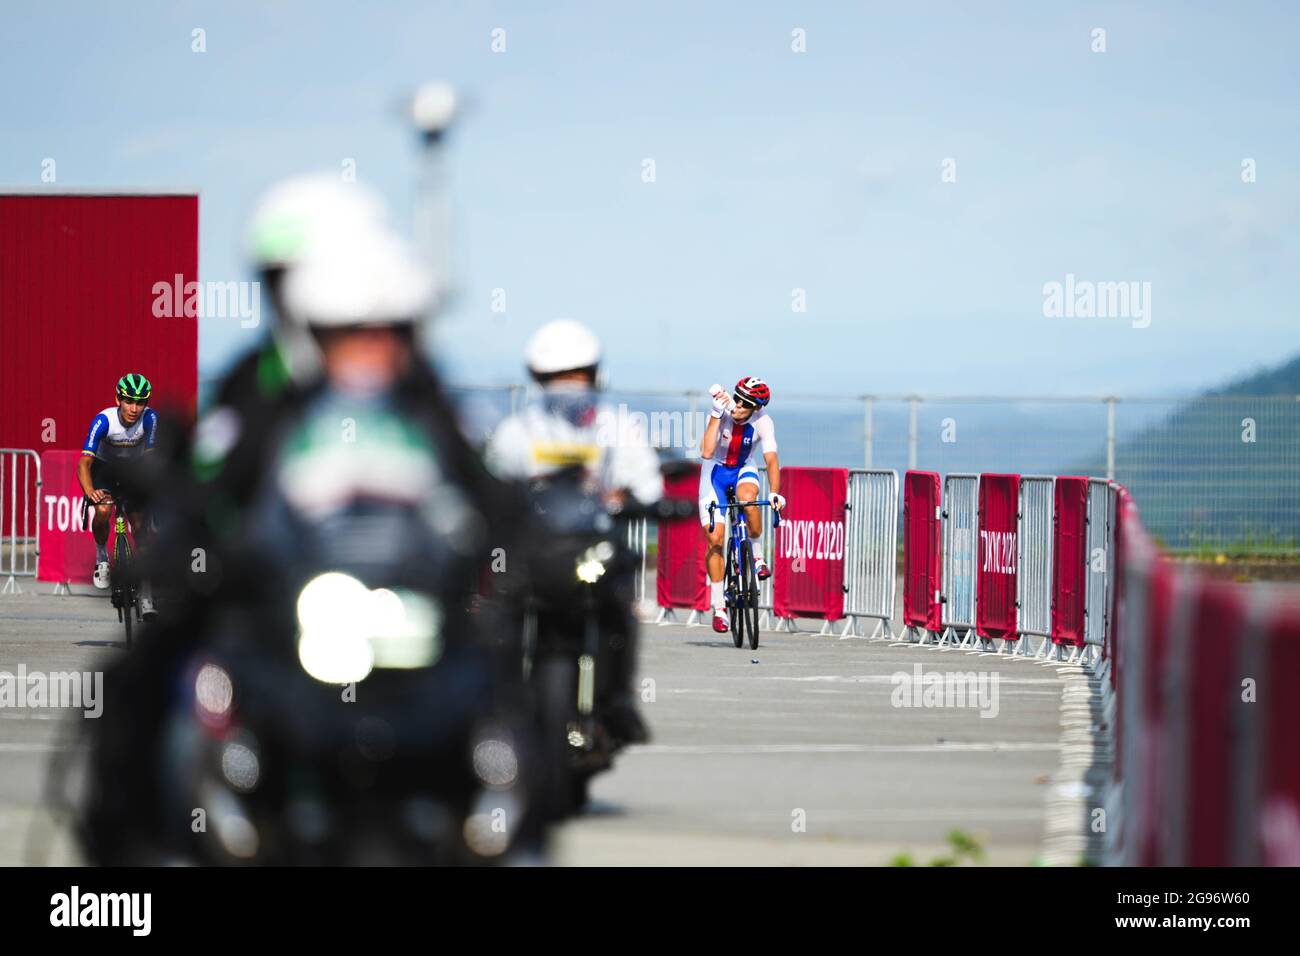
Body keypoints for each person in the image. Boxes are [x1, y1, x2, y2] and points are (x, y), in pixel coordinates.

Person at [484, 319, 661, 743]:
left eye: (578, 375)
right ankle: (496, 702)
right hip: (536, 549)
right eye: (558, 377)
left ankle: (617, 701)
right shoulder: (518, 431)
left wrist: (646, 500)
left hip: (592, 545)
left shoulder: (617, 427)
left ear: (595, 375)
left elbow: (647, 482)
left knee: (619, 603)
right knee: (497, 611)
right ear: (538, 379)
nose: (569, 386)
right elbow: (491, 481)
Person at [699, 376, 784, 634]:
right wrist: (716, 414)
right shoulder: (721, 412)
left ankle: (757, 556)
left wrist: (775, 493)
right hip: (715, 471)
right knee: (716, 540)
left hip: (743, 469)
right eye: (736, 398)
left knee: (749, 500)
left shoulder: (763, 423)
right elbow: (706, 452)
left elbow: (770, 460)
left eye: (744, 403)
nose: (736, 406)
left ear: (756, 408)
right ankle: (719, 608)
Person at [77, 373, 159, 618]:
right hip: (105, 471)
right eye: (128, 401)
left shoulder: (151, 418)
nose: (134, 408)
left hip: (134, 472)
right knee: (102, 510)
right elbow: (84, 463)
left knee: (141, 526)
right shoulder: (103, 420)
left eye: (140, 402)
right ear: (118, 399)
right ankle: (102, 559)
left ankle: (146, 596)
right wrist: (90, 492)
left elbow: (152, 456)